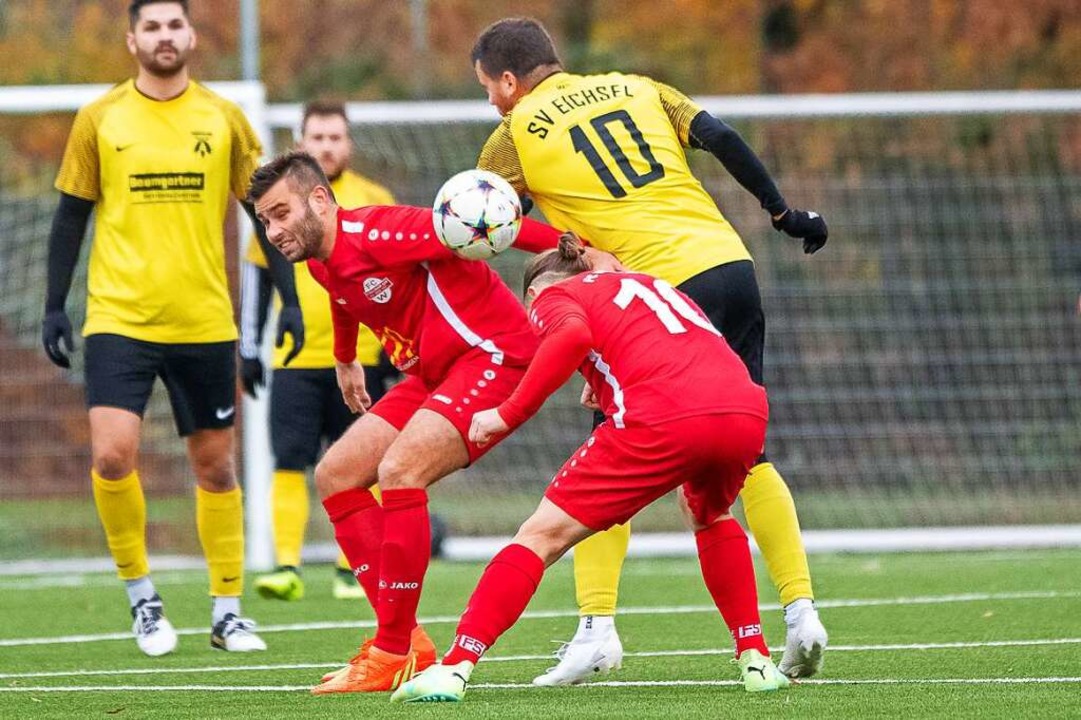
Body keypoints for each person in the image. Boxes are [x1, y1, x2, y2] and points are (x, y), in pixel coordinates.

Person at [471, 17, 830, 682]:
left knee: (603, 450)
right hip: (729, 266)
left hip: (654, 297)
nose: (490, 100)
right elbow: (720, 138)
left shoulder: (513, 132)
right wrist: (782, 214)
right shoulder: (638, 86)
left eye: (488, 88)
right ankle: (799, 610)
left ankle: (595, 627)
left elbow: (481, 209)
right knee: (746, 448)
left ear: (510, 80)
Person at [248, 151, 617, 694]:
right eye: (264, 221)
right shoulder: (324, 258)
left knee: (401, 470)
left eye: (281, 213)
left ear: (320, 200)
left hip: (495, 357)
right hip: (434, 374)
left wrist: (581, 251)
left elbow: (492, 222)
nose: (274, 230)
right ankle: (405, 641)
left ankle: (393, 650)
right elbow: (345, 294)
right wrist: (346, 357)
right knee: (335, 475)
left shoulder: (383, 230)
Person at [391, 235, 789, 703]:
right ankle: (756, 657)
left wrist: (506, 414)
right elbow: (667, 348)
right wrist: (602, 379)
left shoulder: (553, 295)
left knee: (539, 537)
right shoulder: (646, 284)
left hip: (662, 417)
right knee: (708, 514)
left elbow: (572, 335)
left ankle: (455, 666)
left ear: (535, 295)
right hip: (742, 412)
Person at [40, 0, 303, 657]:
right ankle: (142, 598)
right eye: (151, 27)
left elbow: (265, 214)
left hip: (203, 320)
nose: (164, 36)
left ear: (190, 36)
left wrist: (290, 298)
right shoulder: (100, 118)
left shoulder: (224, 118)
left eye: (173, 25)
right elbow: (71, 216)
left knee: (215, 468)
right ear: (132, 41)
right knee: (111, 454)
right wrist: (53, 305)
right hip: (119, 317)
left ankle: (227, 611)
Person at [240, 101, 401, 603]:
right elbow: (258, 276)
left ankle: (352, 569)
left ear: (348, 143)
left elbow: (397, 277)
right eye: (317, 137)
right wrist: (248, 346)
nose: (327, 146)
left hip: (365, 359)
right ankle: (286, 566)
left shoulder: (374, 198)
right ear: (300, 144)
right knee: (288, 460)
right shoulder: (279, 208)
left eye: (335, 137)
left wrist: (401, 346)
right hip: (296, 359)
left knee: (362, 464)